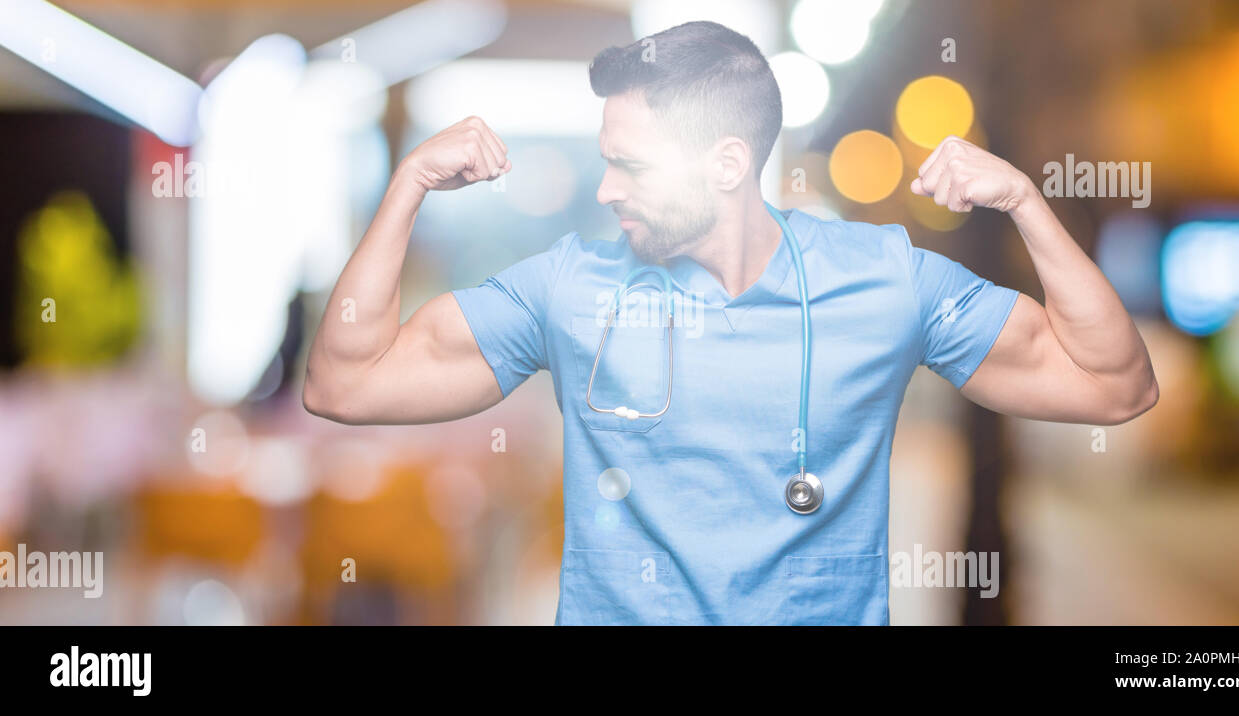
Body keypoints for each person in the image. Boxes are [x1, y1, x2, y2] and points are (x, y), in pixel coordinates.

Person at [303, 21, 1158, 625]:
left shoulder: (882, 281)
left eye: (628, 167)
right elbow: (346, 382)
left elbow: (1113, 384)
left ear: (725, 164)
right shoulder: (571, 288)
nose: (606, 191)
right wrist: (408, 183)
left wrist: (1021, 200)